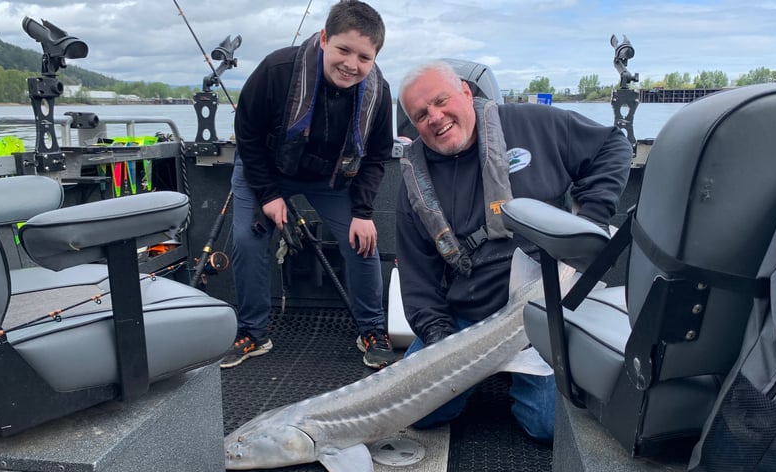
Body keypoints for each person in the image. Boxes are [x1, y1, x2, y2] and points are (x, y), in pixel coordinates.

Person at [395, 60, 631, 442]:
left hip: (545, 304)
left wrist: (591, 219)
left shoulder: (532, 124)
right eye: (421, 114)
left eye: (441, 101)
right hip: (469, 316)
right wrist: (443, 346)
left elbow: (612, 145)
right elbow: (418, 282)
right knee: (416, 412)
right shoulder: (413, 184)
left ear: (466, 93)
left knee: (547, 426)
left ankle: (521, 373)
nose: (435, 117)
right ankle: (493, 369)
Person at [222, 0, 397, 370]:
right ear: (324, 38)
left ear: (375, 58)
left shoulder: (379, 94)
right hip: (265, 168)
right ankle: (253, 332)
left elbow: (377, 157)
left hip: (328, 178)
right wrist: (268, 194)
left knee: (362, 240)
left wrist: (363, 212)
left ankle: (372, 330)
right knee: (247, 240)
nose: (351, 64)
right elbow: (247, 135)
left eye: (364, 57)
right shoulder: (277, 70)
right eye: (343, 50)